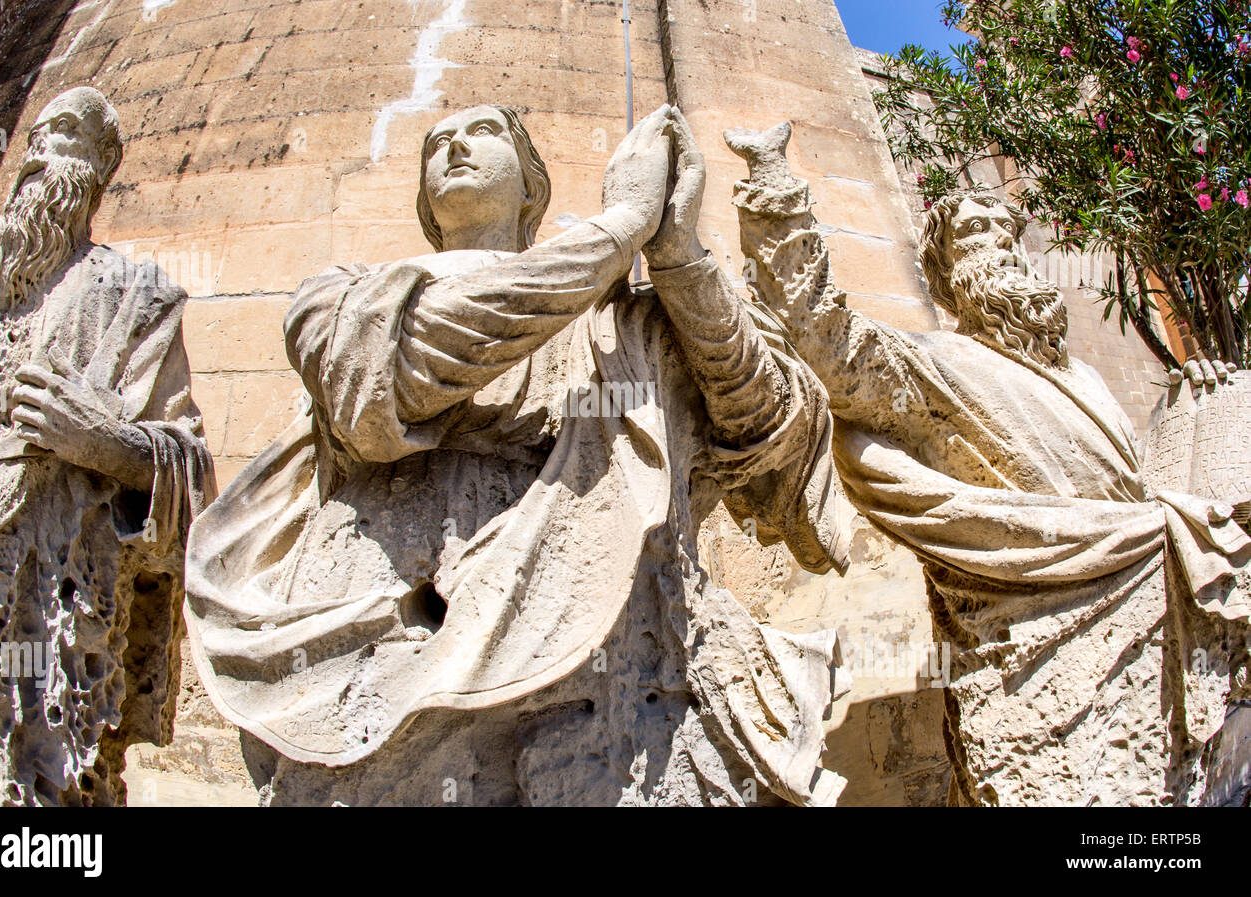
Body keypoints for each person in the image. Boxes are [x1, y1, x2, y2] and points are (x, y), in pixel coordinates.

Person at [186, 104, 854, 806]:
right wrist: (620, 229)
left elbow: (762, 417)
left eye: (481, 132)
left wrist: (680, 258)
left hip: (589, 633)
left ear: (532, 186)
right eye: (436, 143)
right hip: (392, 599)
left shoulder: (609, 314)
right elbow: (396, 378)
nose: (453, 146)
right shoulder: (345, 295)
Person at [723, 121, 1251, 805]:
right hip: (1028, 657)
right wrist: (777, 193)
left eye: (1004, 236)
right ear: (945, 275)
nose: (997, 248)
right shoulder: (937, 365)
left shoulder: (1089, 382)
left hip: (1152, 633)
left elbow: (1139, 496)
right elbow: (829, 347)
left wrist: (1196, 407)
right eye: (973, 236)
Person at [0, 87, 215, 806]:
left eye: (64, 134)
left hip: (64, 600)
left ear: (105, 162)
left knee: (55, 796)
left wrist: (98, 440)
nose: (39, 151)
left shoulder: (134, 294)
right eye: (33, 137)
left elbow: (190, 471)